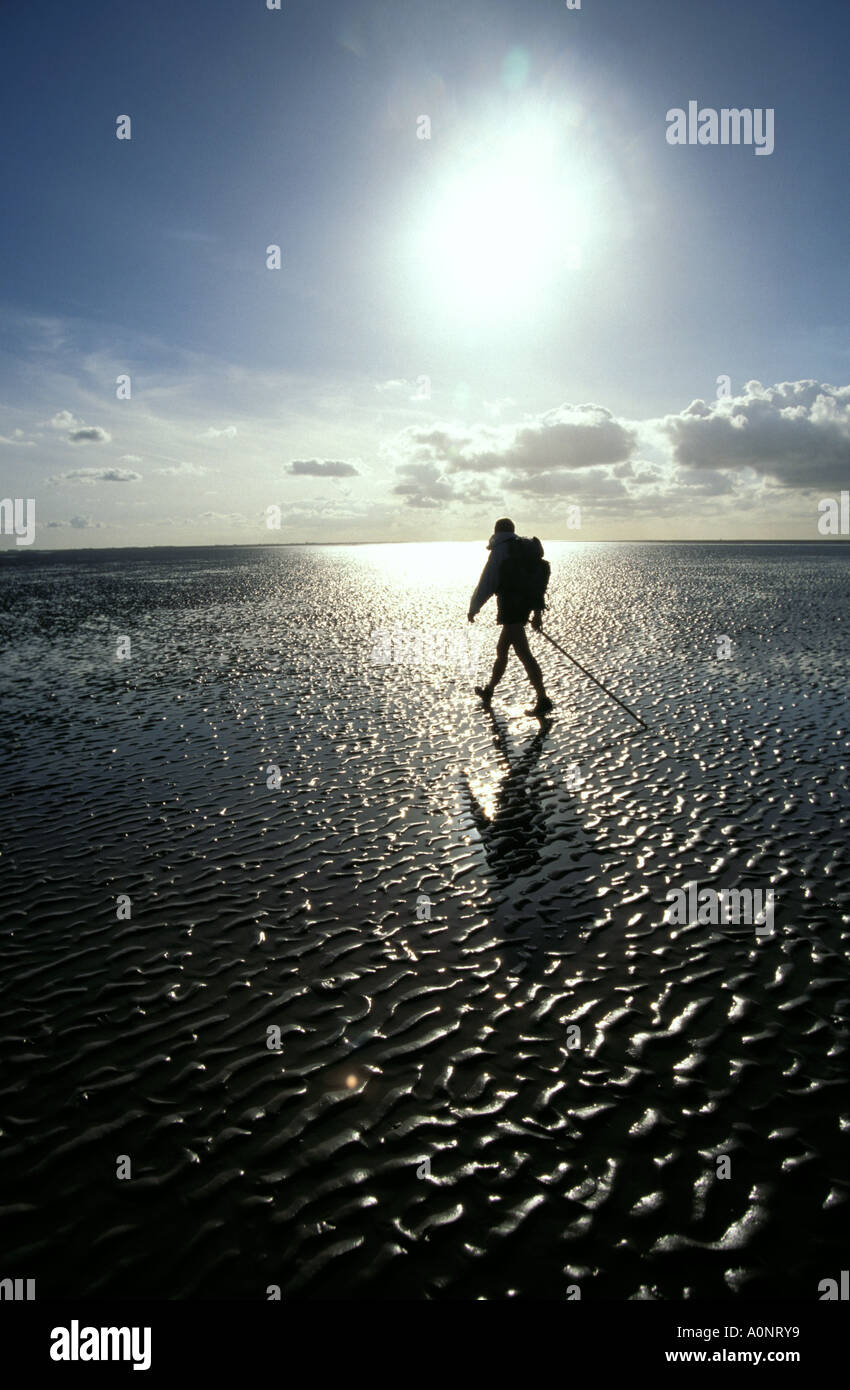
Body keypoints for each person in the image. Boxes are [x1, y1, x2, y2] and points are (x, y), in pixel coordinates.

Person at [467, 517, 553, 716]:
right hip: (522, 607)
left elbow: (487, 582)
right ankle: (489, 691)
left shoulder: (501, 550)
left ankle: (543, 699)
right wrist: (537, 613)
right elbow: (535, 586)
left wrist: (474, 608)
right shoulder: (522, 548)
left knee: (524, 654)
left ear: (496, 531)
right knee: (502, 651)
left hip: (510, 609)